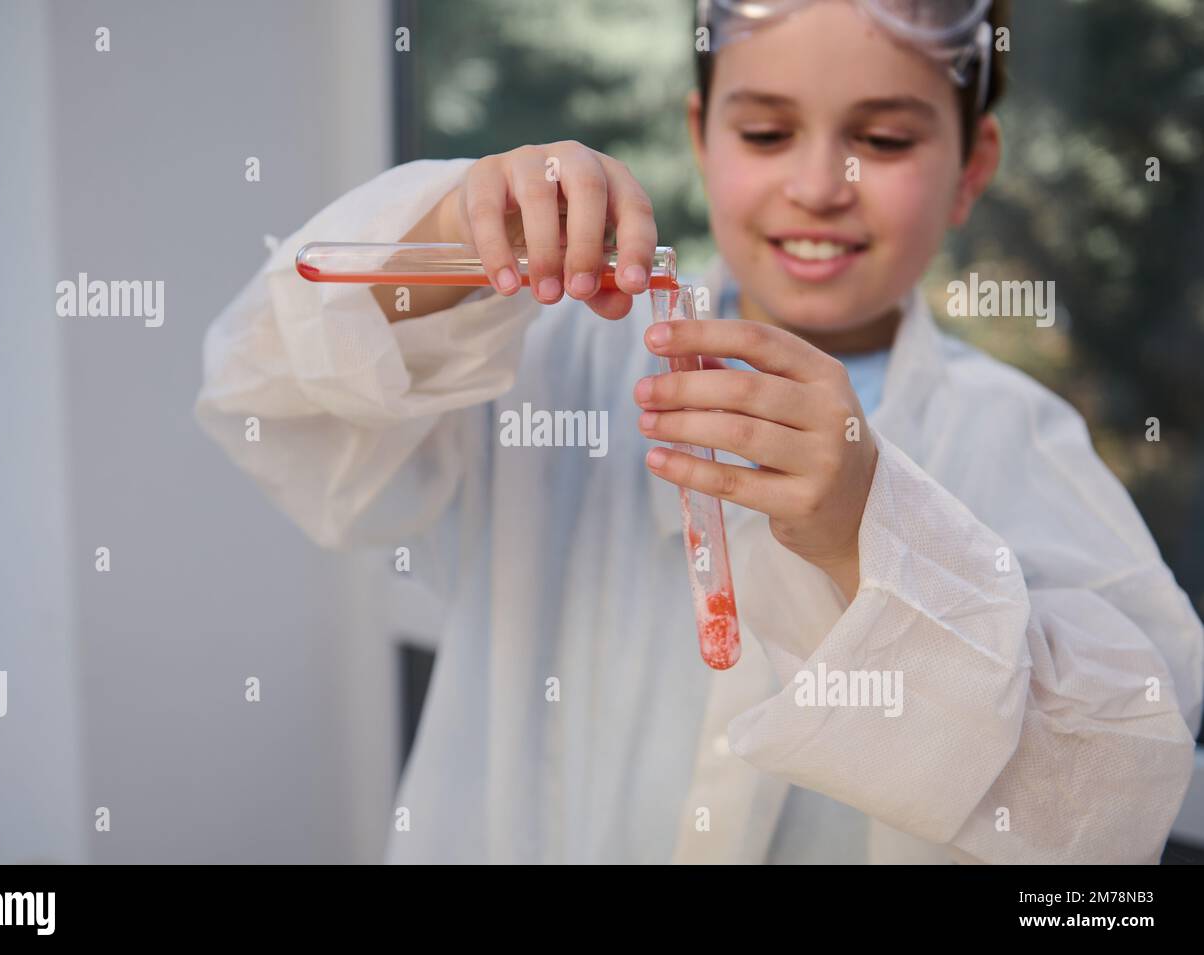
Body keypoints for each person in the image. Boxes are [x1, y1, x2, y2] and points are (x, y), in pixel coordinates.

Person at [194, 0, 1204, 863]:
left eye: (885, 140)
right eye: (765, 133)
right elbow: (266, 390)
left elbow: (1116, 795)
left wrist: (872, 532)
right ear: (698, 133)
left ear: (972, 163)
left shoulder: (1015, 441)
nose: (817, 184)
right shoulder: (556, 360)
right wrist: (452, 238)